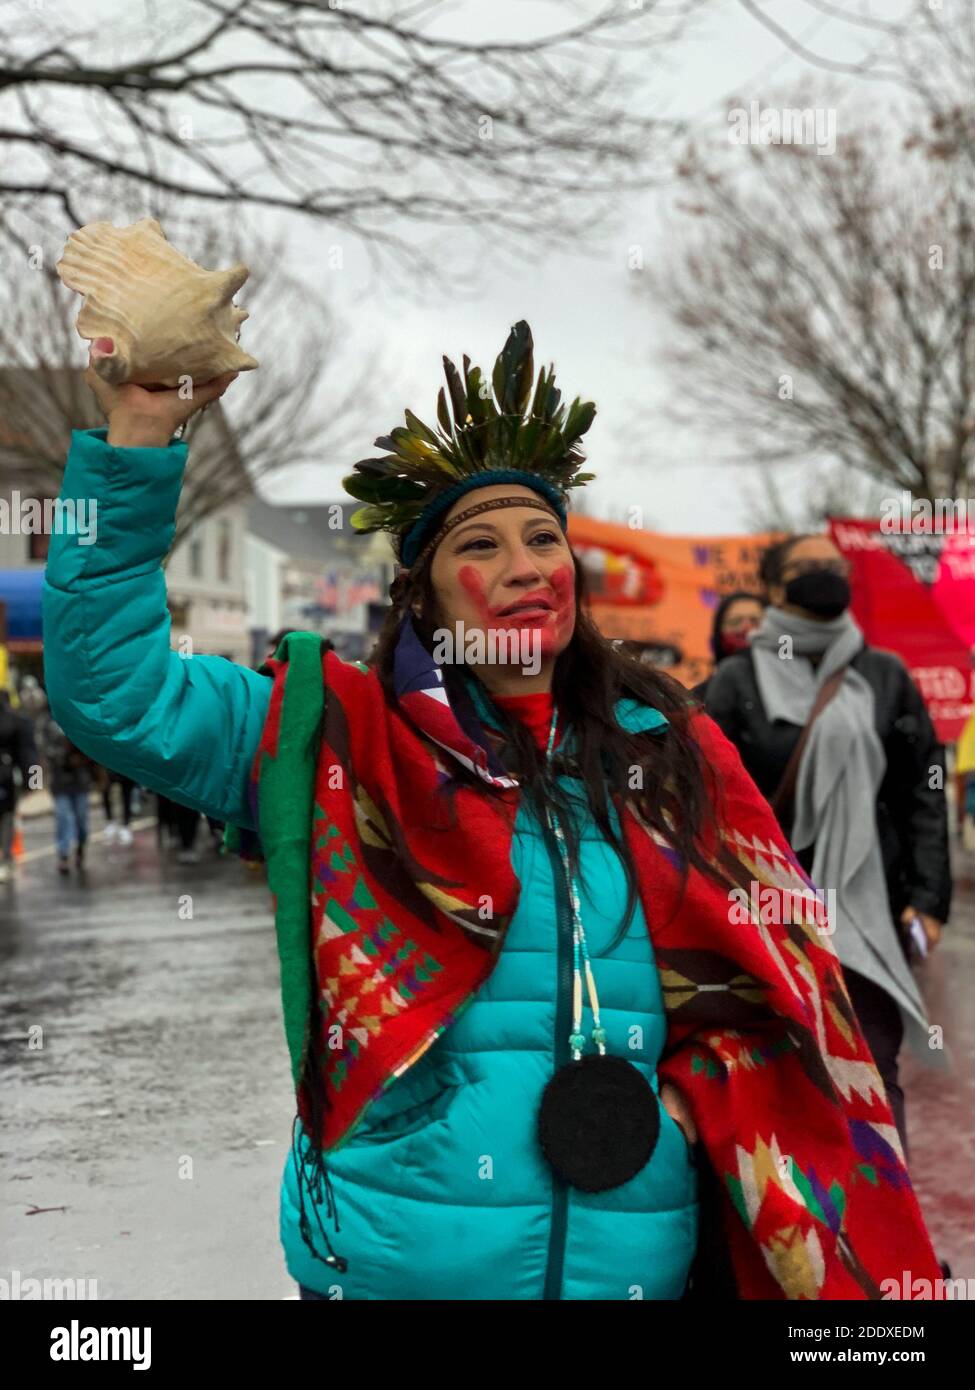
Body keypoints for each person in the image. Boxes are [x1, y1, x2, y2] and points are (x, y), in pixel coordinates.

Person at [42, 322, 943, 1301]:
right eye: (479, 543)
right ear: (422, 595)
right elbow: (112, 691)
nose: (524, 565)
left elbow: (778, 985)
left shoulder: (675, 755)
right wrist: (136, 440)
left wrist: (688, 1103)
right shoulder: (334, 734)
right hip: (401, 1268)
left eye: (543, 538)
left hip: (630, 1271)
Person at [704, 533, 951, 1158]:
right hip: (768, 911)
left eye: (833, 566)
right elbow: (707, 802)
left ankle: (886, 1234)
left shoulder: (883, 672)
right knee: (781, 1070)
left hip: (871, 909)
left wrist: (927, 900)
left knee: (872, 1064)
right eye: (808, 567)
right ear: (776, 585)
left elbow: (922, 790)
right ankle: (804, 1237)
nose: (825, 575)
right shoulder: (735, 681)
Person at [38, 716, 95, 874]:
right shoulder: (48, 724)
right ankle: (63, 854)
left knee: (81, 819)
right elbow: (44, 750)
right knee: (63, 818)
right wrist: (65, 755)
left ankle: (81, 847)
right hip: (60, 782)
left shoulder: (79, 719)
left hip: (80, 781)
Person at [691, 590, 766, 703]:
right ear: (719, 632)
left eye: (755, 621)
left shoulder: (786, 689)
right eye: (735, 622)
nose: (747, 629)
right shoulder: (697, 699)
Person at [0, 690, 37, 883]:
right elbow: (30, 753)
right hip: (7, 779)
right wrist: (33, 783)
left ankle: (6, 859)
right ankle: (5, 859)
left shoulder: (17, 721)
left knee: (7, 818)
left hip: (6, 779)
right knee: (7, 818)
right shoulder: (18, 721)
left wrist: (34, 781)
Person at [102, 771, 136, 845]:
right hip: (109, 767)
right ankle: (110, 822)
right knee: (105, 791)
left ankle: (126, 826)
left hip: (125, 769)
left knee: (127, 796)